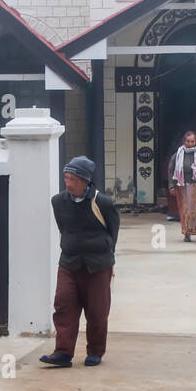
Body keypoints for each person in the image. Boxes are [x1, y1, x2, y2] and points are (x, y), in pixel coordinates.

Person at [41, 156, 120, 368]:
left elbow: (113, 232)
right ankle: (63, 352)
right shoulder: (58, 201)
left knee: (97, 311)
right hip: (69, 262)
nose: (67, 183)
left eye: (72, 179)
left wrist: (105, 254)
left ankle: (95, 351)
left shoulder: (103, 203)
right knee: (64, 304)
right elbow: (63, 228)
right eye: (66, 178)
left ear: (85, 181)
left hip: (98, 265)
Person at [169, 130, 196, 243]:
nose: (190, 143)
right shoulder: (178, 155)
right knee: (186, 210)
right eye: (188, 141)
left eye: (192, 141)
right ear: (184, 141)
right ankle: (187, 232)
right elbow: (171, 169)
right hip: (183, 186)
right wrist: (171, 186)